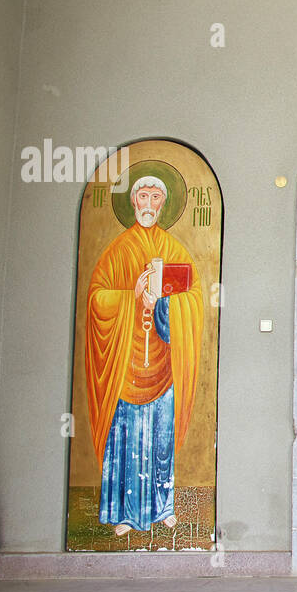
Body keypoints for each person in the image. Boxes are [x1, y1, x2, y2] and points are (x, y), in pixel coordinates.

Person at [85, 175, 203, 535]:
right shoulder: (117, 250)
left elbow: (196, 298)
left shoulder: (174, 248)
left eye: (155, 197)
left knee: (161, 439)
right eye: (143, 196)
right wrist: (129, 296)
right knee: (126, 438)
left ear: (163, 204)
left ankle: (163, 505)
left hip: (163, 365)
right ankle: (123, 512)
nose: (149, 204)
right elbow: (95, 299)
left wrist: (165, 304)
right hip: (126, 364)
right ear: (133, 202)